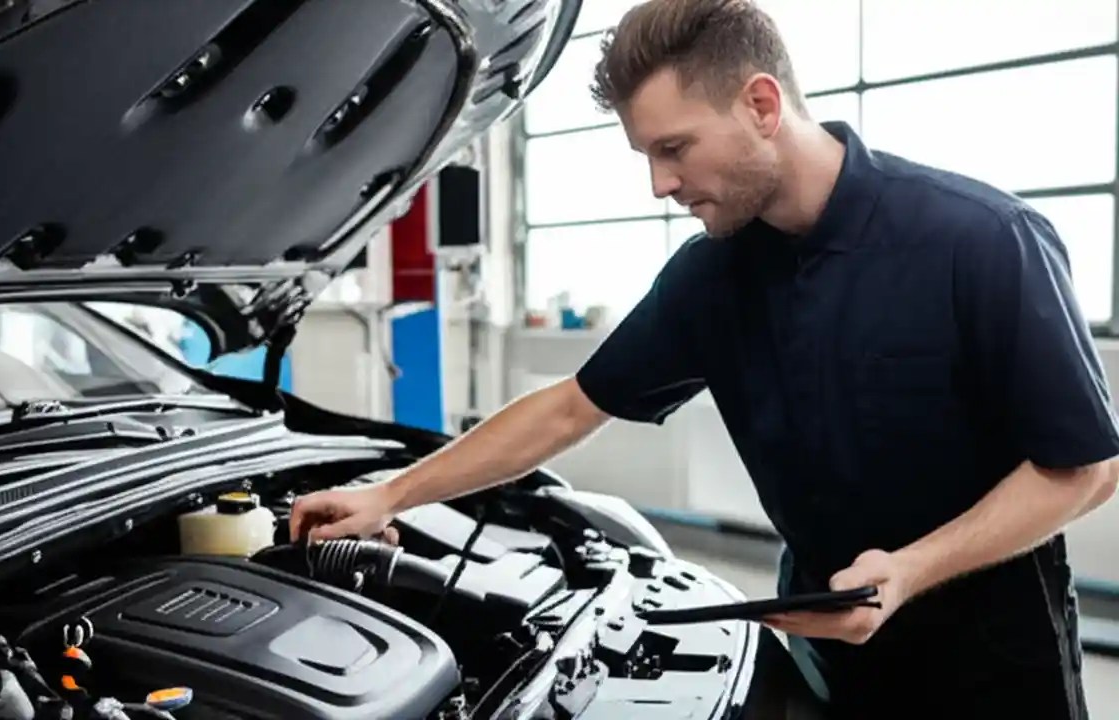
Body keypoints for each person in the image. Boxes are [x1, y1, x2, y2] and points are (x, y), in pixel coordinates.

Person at [290, 1, 1119, 717]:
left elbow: (1083, 470)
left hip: (994, 670)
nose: (659, 185)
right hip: (827, 649)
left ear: (762, 103)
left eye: (675, 148)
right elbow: (571, 406)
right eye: (647, 155)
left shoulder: (980, 239)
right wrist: (388, 494)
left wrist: (907, 573)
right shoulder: (712, 275)